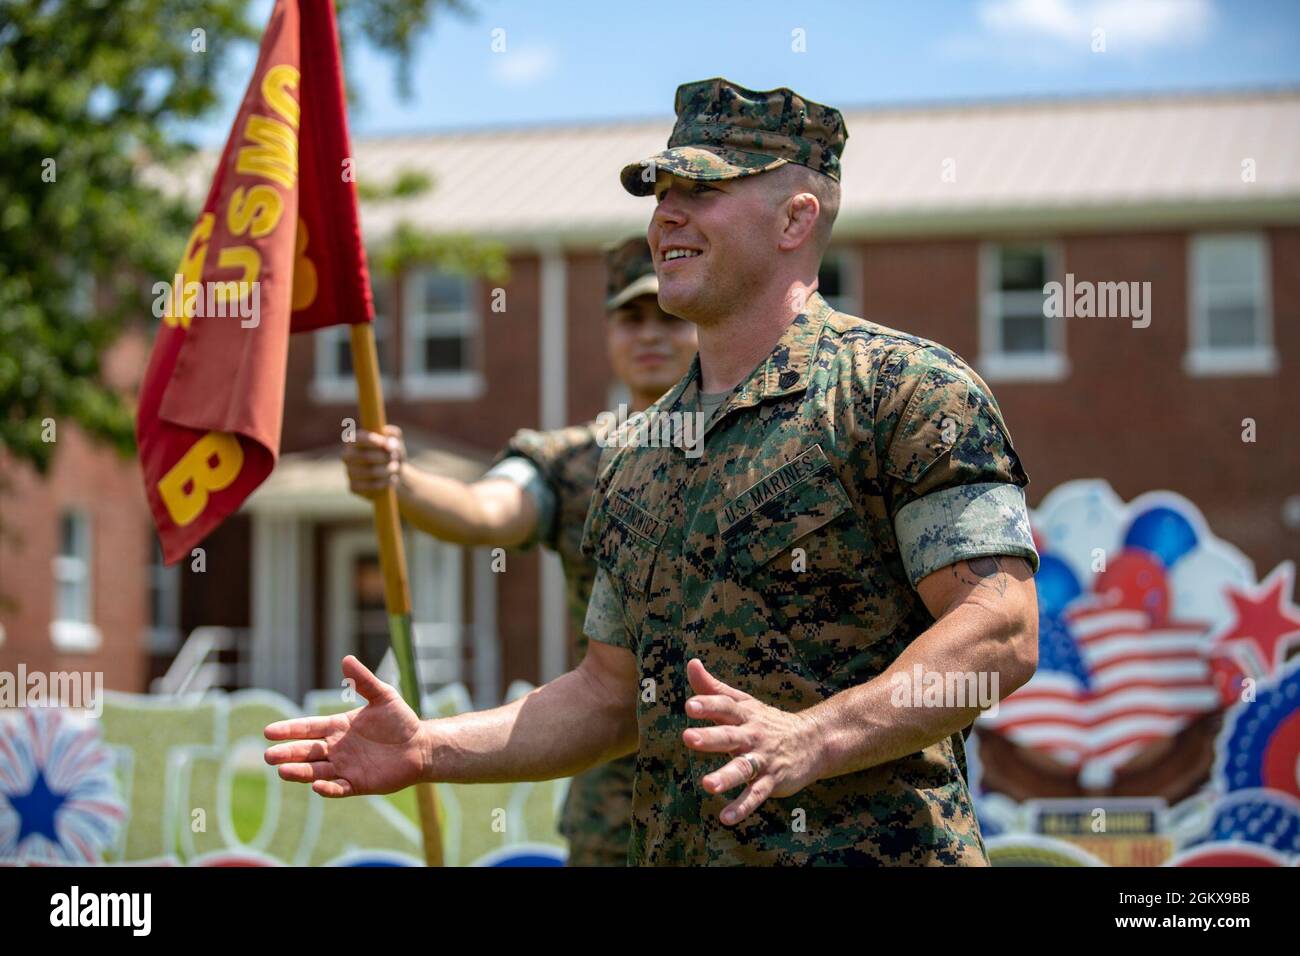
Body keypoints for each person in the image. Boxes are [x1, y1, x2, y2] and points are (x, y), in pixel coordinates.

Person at [266, 78, 1040, 867]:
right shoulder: (638, 452)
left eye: (701, 189)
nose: (665, 215)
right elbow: (606, 698)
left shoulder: (903, 392)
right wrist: (430, 748)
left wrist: (814, 737)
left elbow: (1002, 631)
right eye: (661, 191)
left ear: (795, 218)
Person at [335, 237, 696, 865]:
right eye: (630, 318)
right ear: (608, 330)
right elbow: (485, 513)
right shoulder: (574, 460)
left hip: (750, 793)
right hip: (617, 799)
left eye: (669, 318)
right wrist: (401, 479)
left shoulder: (759, 447)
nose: (649, 336)